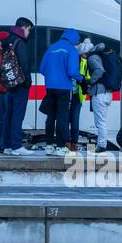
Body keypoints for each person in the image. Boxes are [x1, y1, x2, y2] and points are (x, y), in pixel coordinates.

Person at [38, 27, 83, 155]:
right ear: (74, 38)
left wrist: (53, 74)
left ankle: (49, 146)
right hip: (63, 88)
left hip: (50, 87)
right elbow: (72, 71)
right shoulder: (71, 50)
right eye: (77, 40)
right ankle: (60, 147)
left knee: (51, 116)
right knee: (62, 117)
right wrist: (81, 78)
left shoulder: (51, 48)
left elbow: (42, 68)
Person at [0, 18, 35, 157]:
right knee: (18, 115)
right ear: (23, 27)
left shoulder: (9, 41)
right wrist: (27, 82)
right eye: (28, 29)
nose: (29, 33)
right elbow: (24, 64)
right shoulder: (20, 43)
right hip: (20, 85)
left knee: (9, 115)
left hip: (10, 84)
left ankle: (7, 145)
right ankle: (17, 146)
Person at [84, 41, 114, 153]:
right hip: (107, 93)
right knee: (102, 121)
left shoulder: (92, 58)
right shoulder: (100, 57)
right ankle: (101, 144)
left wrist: (90, 81)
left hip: (100, 93)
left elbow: (99, 70)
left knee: (100, 121)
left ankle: (101, 145)